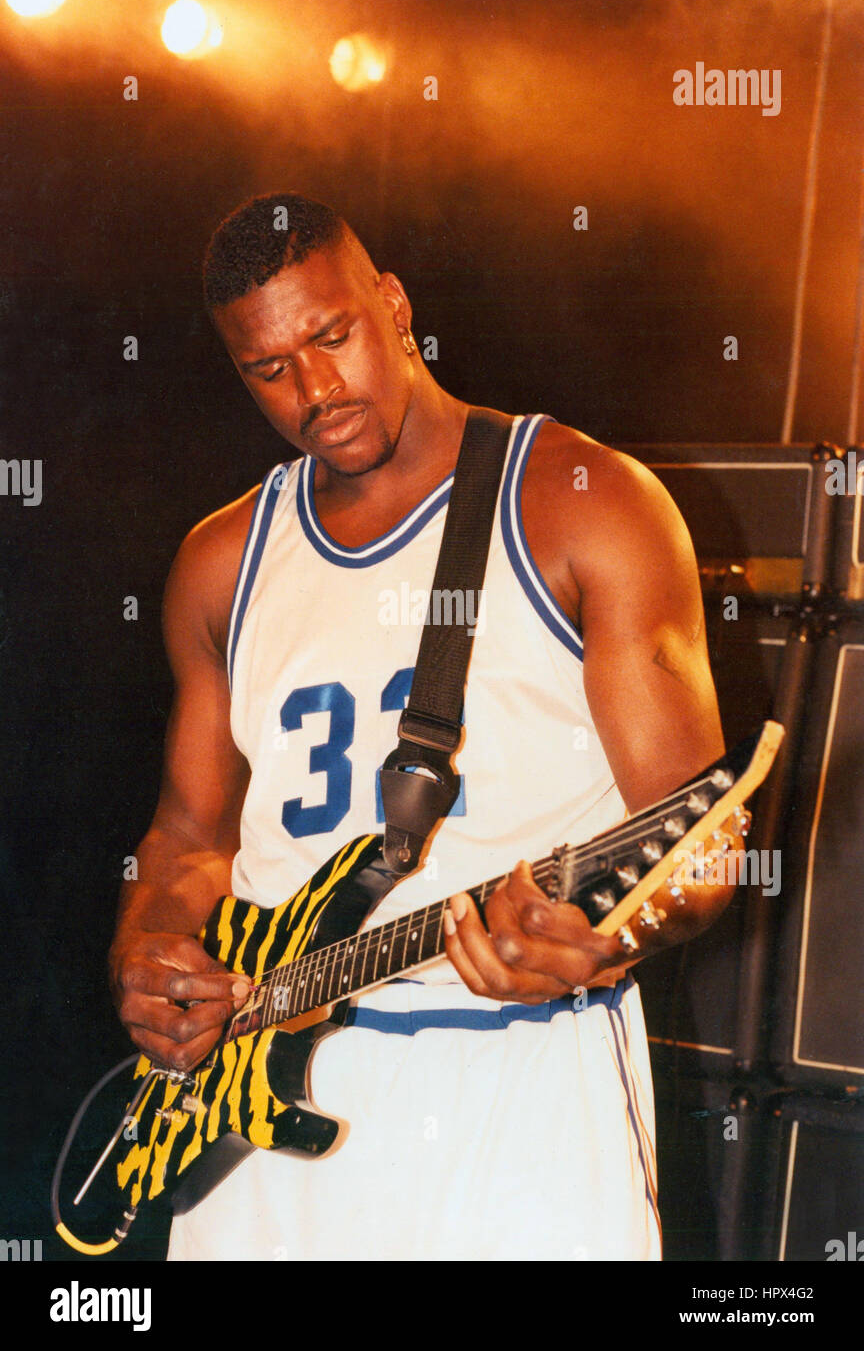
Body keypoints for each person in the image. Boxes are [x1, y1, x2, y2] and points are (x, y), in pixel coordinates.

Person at [109, 192, 733, 1261]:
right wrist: (149, 951)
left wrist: (610, 932)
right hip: (256, 1092)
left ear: (394, 306)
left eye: (330, 337)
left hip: (518, 1073)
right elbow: (188, 833)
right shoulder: (222, 561)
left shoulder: (585, 503)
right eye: (268, 369)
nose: (313, 391)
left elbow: (705, 839)